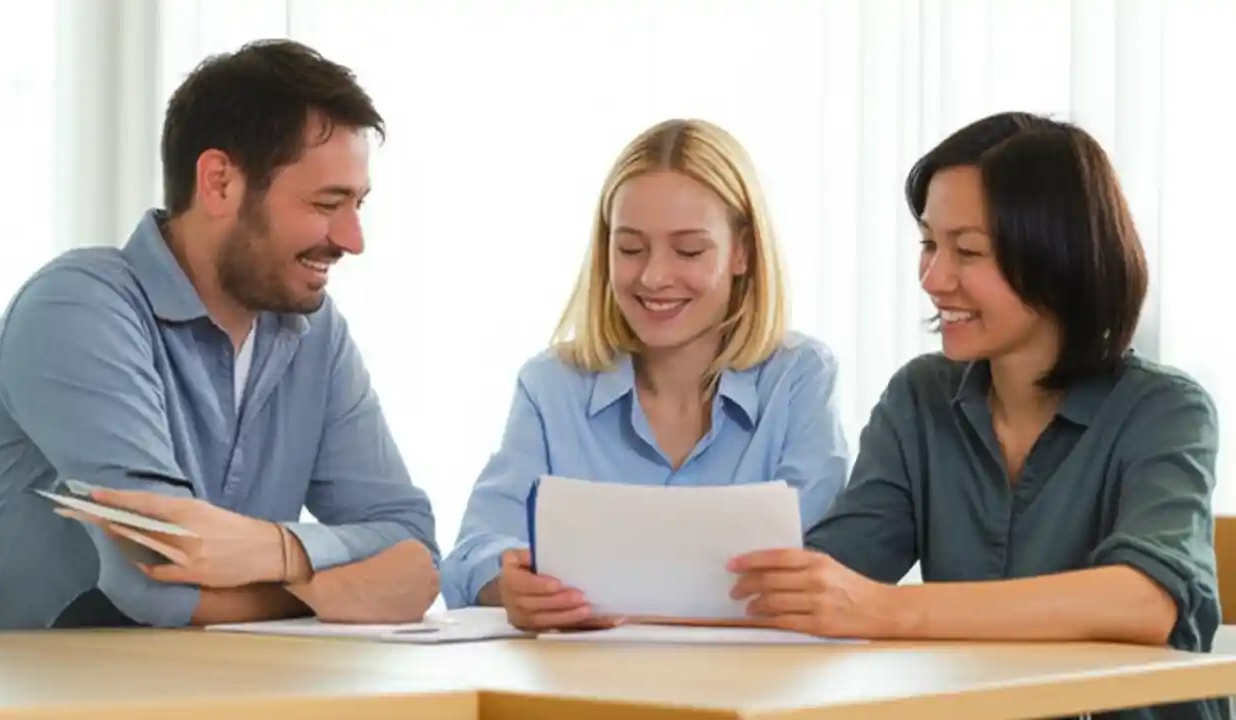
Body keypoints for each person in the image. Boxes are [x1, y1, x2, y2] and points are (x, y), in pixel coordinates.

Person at [729, 112, 1224, 719]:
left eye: (967, 250)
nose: (934, 278)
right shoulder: (920, 398)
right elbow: (827, 574)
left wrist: (886, 610)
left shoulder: (1163, 409)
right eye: (929, 244)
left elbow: (1144, 602)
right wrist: (616, 599)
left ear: (1058, 257)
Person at [0, 39, 439, 631]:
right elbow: (157, 586)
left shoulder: (316, 332)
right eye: (326, 203)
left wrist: (274, 552)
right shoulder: (76, 308)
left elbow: (413, 547)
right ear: (218, 183)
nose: (352, 238)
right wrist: (335, 593)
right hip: (35, 704)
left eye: (358, 204)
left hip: (218, 686)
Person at [442, 118, 850, 630]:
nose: (654, 277)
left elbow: (822, 561)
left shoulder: (799, 378)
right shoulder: (551, 386)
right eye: (631, 249)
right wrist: (511, 587)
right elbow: (475, 550)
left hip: (753, 693)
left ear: (741, 251)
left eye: (689, 250)